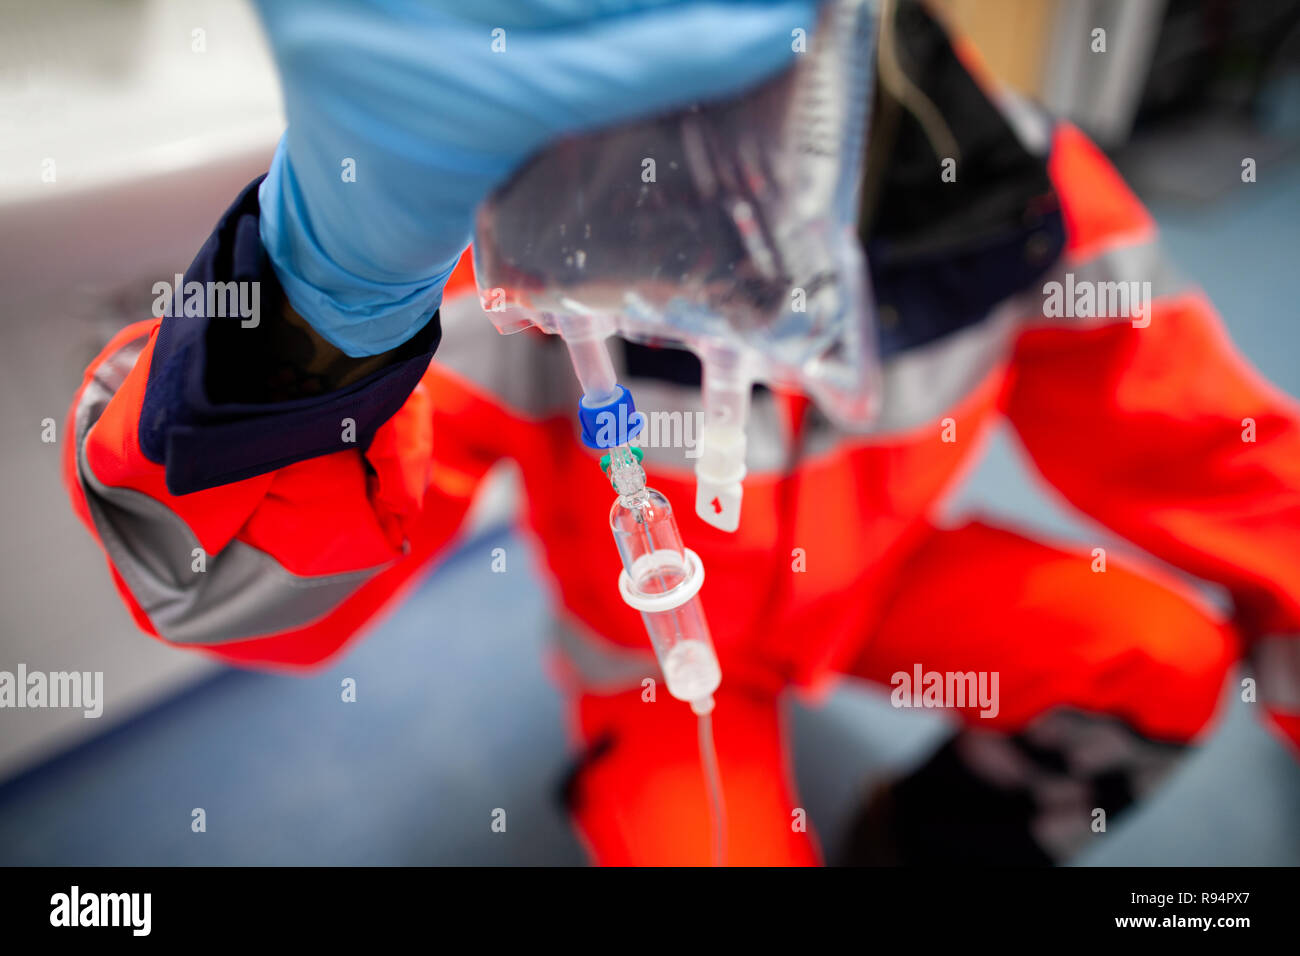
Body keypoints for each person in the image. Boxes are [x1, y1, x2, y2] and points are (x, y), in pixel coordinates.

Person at [64, 0, 1300, 865]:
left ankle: (912, 843)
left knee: (1162, 661)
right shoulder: (521, 246)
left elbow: (1216, 449)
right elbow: (244, 583)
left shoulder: (1016, 197)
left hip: (874, 588)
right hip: (657, 664)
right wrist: (316, 304)